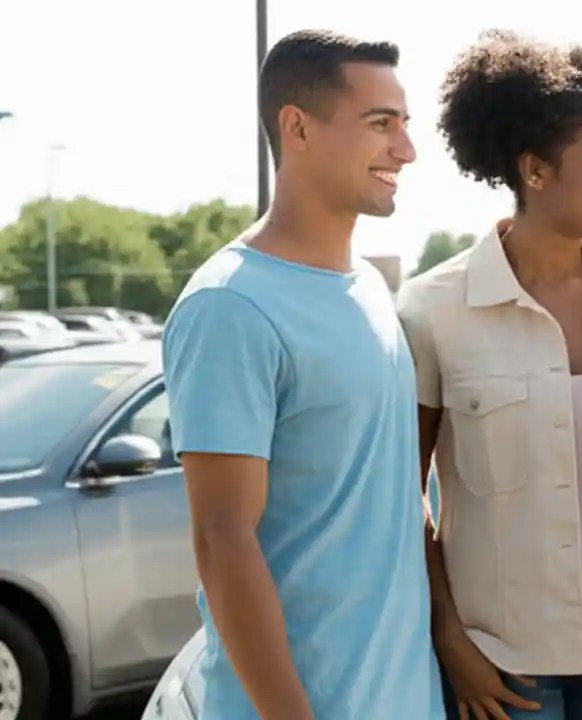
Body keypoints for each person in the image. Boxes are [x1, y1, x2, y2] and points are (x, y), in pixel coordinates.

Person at [396, 29, 582, 720]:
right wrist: (450, 639)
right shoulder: (432, 310)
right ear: (535, 171)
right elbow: (403, 493)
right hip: (502, 660)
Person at [162, 29, 438, 719]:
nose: (405, 149)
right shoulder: (230, 305)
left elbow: (396, 498)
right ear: (297, 127)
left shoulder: (371, 290)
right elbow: (222, 542)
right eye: (381, 124)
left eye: (404, 125)